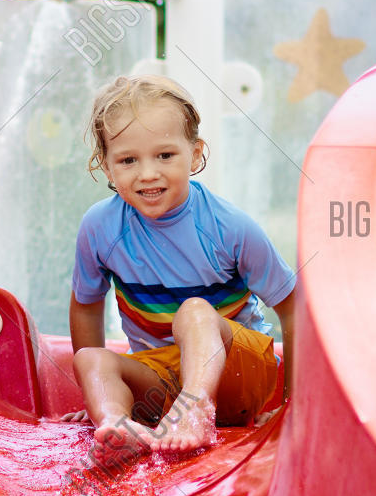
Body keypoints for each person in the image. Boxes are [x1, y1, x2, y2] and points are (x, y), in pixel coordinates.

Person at [66, 74, 297, 463]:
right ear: (105, 166)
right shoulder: (100, 228)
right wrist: (96, 397)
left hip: (238, 374)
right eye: (127, 160)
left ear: (195, 153)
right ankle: (115, 426)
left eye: (165, 155)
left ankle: (197, 408)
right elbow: (86, 305)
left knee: (193, 312)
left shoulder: (229, 228)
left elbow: (295, 307)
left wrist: (294, 403)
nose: (148, 173)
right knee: (90, 359)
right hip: (164, 388)